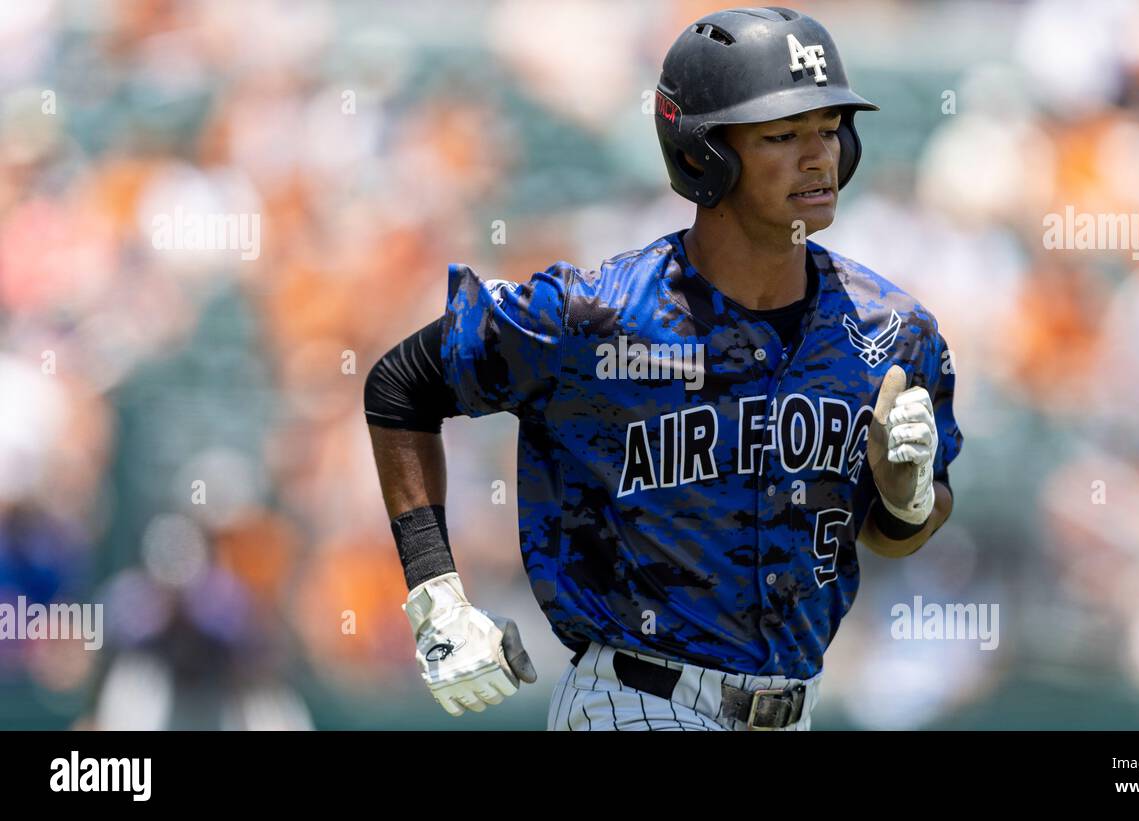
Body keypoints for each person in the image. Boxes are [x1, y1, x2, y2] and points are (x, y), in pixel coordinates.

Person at [364, 6, 962, 731]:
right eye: (782, 135)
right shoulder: (596, 315)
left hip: (794, 709)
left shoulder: (891, 331)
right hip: (638, 699)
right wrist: (436, 591)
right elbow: (401, 384)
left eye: (829, 128)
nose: (819, 156)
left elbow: (896, 530)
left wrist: (905, 503)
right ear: (704, 154)